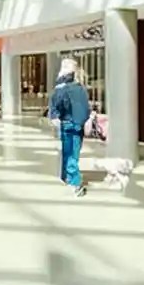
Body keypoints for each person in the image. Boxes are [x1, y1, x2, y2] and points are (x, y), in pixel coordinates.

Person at [48, 58, 90, 197]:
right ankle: (75, 182)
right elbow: (85, 108)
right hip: (77, 124)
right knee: (74, 153)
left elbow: (55, 106)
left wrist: (55, 117)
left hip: (66, 123)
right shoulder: (80, 88)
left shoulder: (60, 88)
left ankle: (66, 176)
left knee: (68, 151)